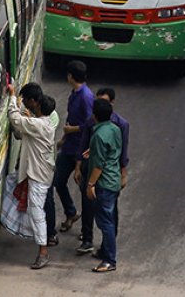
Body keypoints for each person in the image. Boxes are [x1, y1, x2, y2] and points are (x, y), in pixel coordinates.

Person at [6, 82, 59, 269]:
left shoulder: (39, 125)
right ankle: (18, 227)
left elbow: (15, 119)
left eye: (27, 101)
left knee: (37, 213)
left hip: (38, 175)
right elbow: (21, 133)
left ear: (36, 103)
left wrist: (12, 97)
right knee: (10, 185)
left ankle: (43, 252)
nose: (26, 105)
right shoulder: (40, 123)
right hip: (35, 172)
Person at [74, 87, 130, 255]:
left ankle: (108, 251)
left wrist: (123, 174)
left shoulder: (119, 125)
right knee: (89, 207)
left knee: (107, 216)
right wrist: (79, 166)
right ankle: (88, 240)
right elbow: (85, 145)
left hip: (102, 177)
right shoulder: (96, 124)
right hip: (97, 173)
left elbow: (121, 152)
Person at [46, 61, 95, 246]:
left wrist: (71, 131)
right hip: (69, 146)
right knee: (58, 181)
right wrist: (64, 139)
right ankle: (71, 212)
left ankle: (86, 232)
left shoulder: (85, 97)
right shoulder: (74, 94)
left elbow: (89, 125)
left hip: (80, 149)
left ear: (70, 76)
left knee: (84, 191)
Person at [85, 98, 123, 273]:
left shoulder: (99, 135)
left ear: (94, 115)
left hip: (104, 183)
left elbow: (99, 165)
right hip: (114, 179)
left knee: (105, 221)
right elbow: (112, 151)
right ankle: (105, 252)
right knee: (110, 218)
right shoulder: (115, 129)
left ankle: (109, 260)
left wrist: (90, 184)